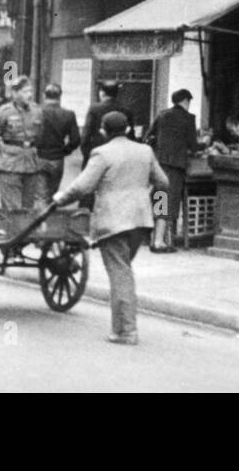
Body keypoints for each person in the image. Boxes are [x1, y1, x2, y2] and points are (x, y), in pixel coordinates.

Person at [53, 111, 169, 345]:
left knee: (120, 275)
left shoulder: (102, 153)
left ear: (104, 132)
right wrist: (148, 200)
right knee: (124, 270)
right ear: (128, 129)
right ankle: (124, 326)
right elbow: (163, 183)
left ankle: (126, 331)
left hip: (113, 222)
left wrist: (60, 199)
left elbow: (82, 187)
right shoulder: (145, 151)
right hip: (140, 221)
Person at [146, 89, 201, 253]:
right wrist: (202, 146)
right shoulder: (188, 118)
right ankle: (159, 242)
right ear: (185, 101)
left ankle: (156, 239)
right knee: (170, 202)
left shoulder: (162, 115)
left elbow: (149, 137)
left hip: (159, 164)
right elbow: (193, 145)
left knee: (160, 198)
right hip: (176, 166)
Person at [0, 76, 45, 210]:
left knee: (28, 209)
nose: (29, 95)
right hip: (9, 166)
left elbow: (40, 138)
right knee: (12, 209)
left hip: (31, 164)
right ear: (14, 93)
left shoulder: (37, 111)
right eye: (25, 92)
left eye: (30, 91)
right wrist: (2, 155)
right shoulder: (2, 113)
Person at [37, 83, 80, 203]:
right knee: (52, 194)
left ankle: (41, 220)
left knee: (40, 195)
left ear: (44, 95)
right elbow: (75, 140)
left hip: (39, 156)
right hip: (57, 158)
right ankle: (48, 218)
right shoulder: (68, 115)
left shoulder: (36, 112)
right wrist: (64, 151)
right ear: (60, 96)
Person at [81, 81, 134, 166]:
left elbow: (86, 135)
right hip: (119, 156)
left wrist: (87, 156)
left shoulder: (94, 109)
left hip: (98, 153)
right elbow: (131, 136)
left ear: (102, 93)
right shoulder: (126, 110)